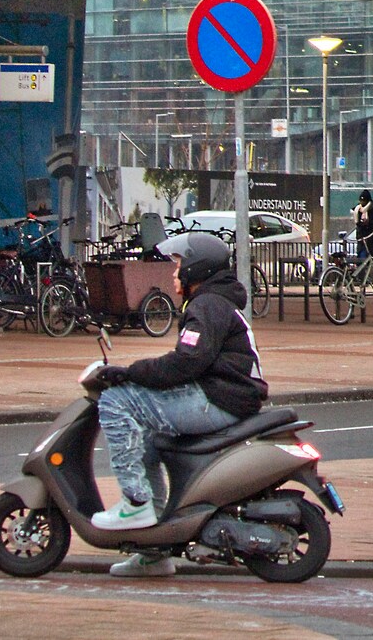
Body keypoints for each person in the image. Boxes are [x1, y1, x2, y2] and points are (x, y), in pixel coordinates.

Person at [88, 231, 268, 577]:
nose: (173, 274)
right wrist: (139, 373)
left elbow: (186, 362)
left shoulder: (208, 305)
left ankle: (137, 503)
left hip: (219, 400)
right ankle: (153, 550)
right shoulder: (212, 302)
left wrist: (129, 374)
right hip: (222, 394)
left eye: (179, 266)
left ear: (195, 270)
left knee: (115, 401)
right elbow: (187, 362)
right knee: (147, 438)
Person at [352, 190, 373, 267]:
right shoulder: (358, 212)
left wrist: (370, 224)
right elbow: (358, 227)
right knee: (362, 264)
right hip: (363, 244)